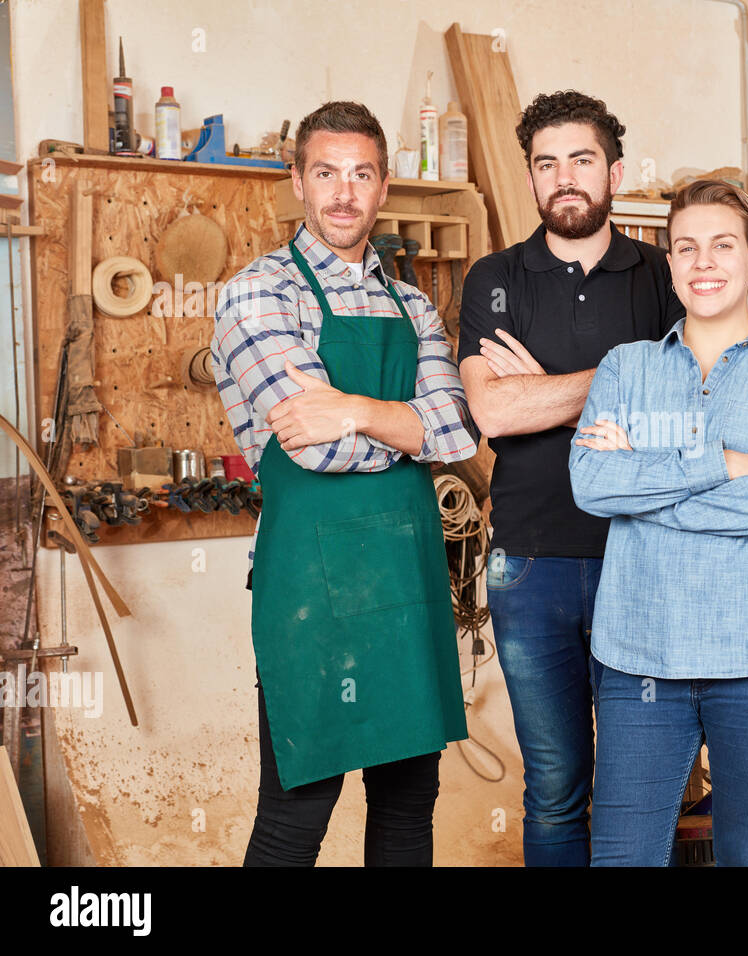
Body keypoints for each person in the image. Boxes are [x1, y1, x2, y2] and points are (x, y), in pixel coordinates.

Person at [212, 101, 477, 866]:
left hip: (407, 578)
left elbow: (456, 430)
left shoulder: (414, 303)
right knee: (297, 812)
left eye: (361, 175)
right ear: (297, 179)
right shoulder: (256, 294)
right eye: (325, 173)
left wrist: (355, 410)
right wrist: (403, 429)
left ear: (384, 185)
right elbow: (312, 447)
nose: (343, 193)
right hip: (311, 590)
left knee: (408, 804)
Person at [570, 179, 748, 866]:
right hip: (640, 656)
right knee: (622, 857)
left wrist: (646, 478)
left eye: (722, 245)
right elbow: (593, 484)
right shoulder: (625, 369)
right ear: (669, 261)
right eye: (685, 247)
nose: (703, 262)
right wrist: (726, 461)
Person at [456, 91, 685, 866]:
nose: (565, 178)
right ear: (530, 178)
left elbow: (686, 410)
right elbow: (489, 413)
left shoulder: (663, 274)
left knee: (636, 783)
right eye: (546, 163)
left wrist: (544, 390)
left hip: (643, 560)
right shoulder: (493, 277)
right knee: (555, 785)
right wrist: (621, 381)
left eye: (581, 160)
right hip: (530, 566)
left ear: (615, 172)